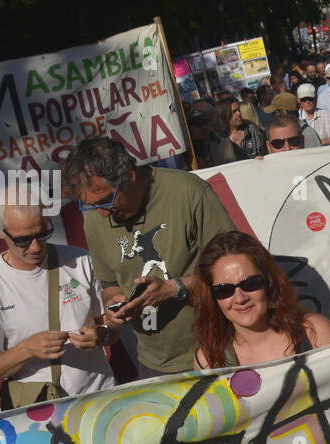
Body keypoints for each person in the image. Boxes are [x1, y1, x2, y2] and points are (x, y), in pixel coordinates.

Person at [64, 136, 236, 378]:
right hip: (154, 363)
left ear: (129, 176)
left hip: (219, 352)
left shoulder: (188, 192)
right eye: (89, 205)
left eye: (105, 201)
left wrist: (174, 288)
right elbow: (109, 284)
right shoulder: (94, 216)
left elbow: (238, 269)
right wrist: (115, 303)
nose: (101, 213)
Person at [0, 187, 117, 406]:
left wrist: (102, 334)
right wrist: (26, 349)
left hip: (100, 397)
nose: (35, 247)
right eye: (22, 240)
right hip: (40, 410)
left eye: (42, 234)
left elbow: (111, 326)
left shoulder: (80, 261)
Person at [192, 231, 330, 370]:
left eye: (250, 283)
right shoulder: (208, 361)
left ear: (268, 282)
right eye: (224, 290)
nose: (240, 298)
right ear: (212, 297)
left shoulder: (315, 332)